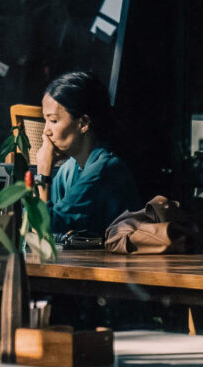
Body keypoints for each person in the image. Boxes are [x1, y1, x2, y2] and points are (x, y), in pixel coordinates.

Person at [33, 70, 139, 241]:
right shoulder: (68, 169)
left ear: (83, 123)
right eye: (45, 120)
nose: (46, 130)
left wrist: (43, 173)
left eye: (53, 121)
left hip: (112, 266)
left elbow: (44, 226)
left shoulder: (104, 169)